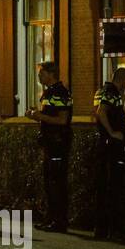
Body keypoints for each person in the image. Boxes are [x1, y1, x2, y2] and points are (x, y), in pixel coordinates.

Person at [26, 60, 72, 232]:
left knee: (56, 182)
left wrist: (39, 116)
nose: (39, 76)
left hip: (58, 142)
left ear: (51, 74)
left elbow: (62, 119)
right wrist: (36, 115)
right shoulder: (50, 93)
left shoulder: (60, 92)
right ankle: (52, 217)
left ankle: (59, 221)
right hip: (50, 142)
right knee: (49, 181)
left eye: (41, 73)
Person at [93, 66, 125, 243]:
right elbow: (101, 112)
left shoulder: (102, 91)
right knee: (116, 187)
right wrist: (112, 132)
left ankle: (101, 229)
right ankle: (116, 229)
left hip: (104, 145)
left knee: (104, 186)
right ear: (123, 80)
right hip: (112, 146)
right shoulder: (111, 92)